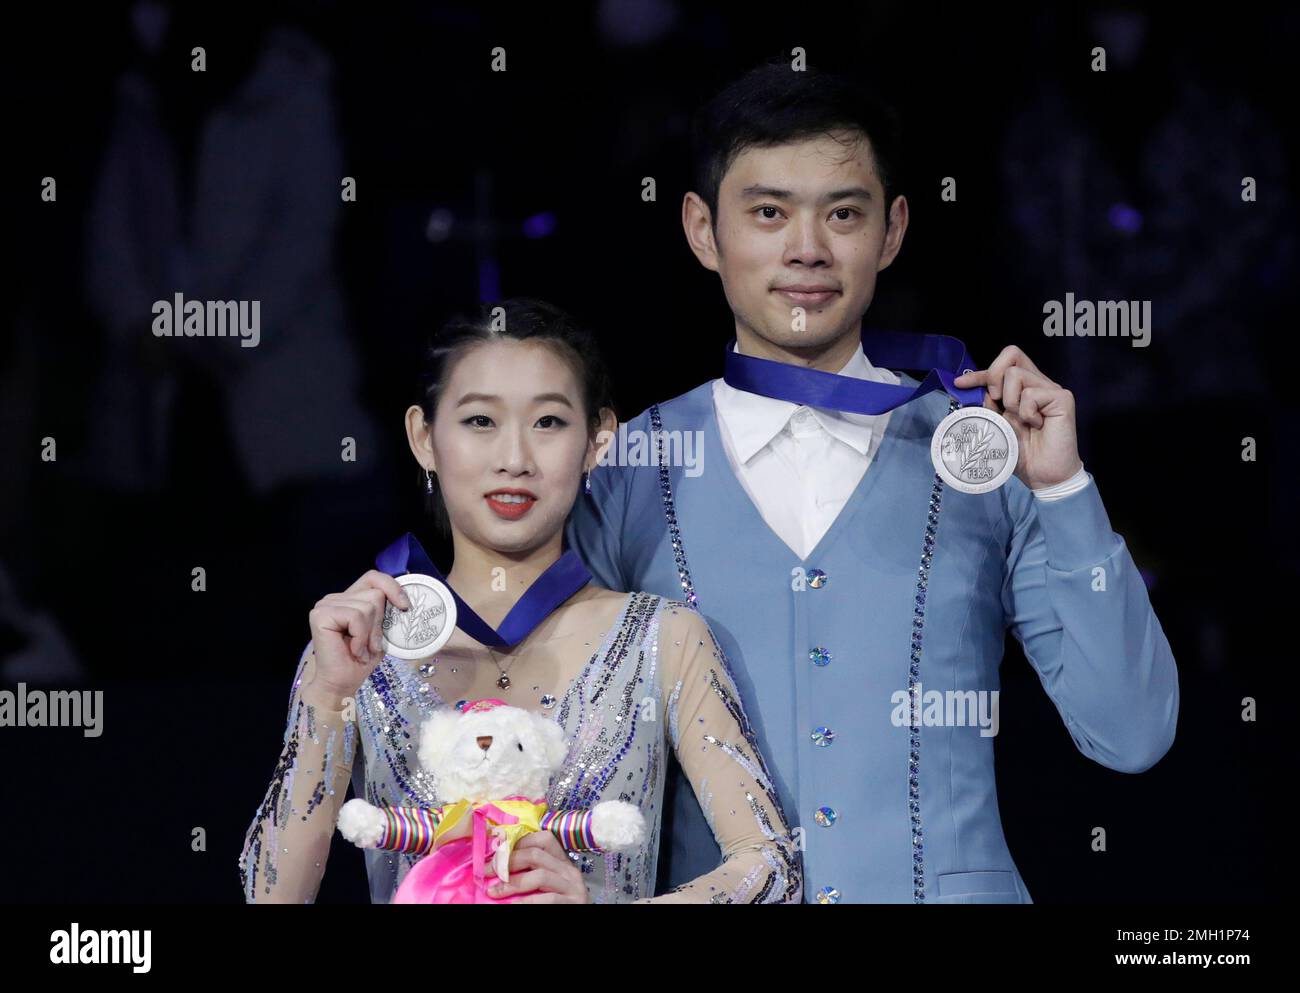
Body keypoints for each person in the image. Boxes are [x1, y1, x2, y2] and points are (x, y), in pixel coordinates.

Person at [566, 60, 1180, 903]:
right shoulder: (626, 468)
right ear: (703, 231)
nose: (807, 249)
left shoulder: (986, 457)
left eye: (842, 214)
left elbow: (1133, 733)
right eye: (769, 212)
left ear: (891, 231)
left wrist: (1065, 490)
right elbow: (557, 761)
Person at [238, 298, 802, 904]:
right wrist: (328, 697)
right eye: (480, 421)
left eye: (549, 423)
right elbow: (271, 897)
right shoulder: (359, 648)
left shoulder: (662, 638)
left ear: (597, 441)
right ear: (423, 437)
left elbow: (772, 868)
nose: (514, 459)